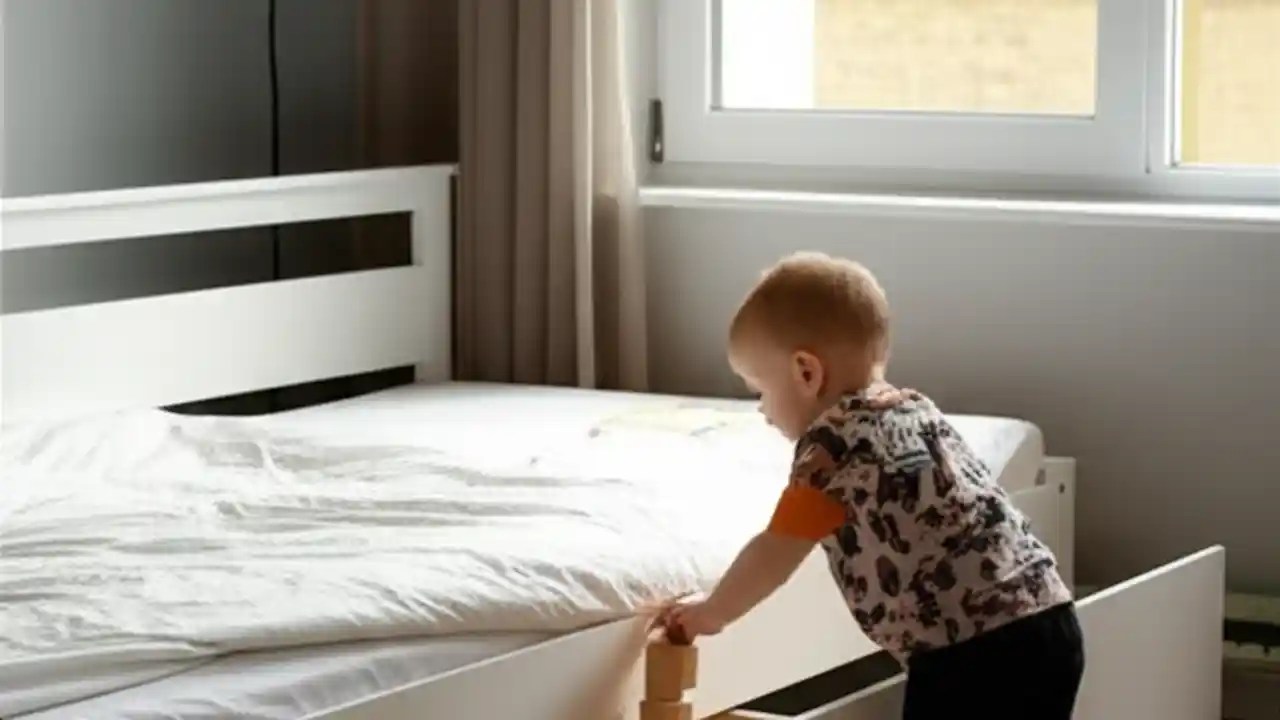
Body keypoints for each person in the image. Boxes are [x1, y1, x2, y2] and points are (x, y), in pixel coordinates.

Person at [659, 252, 1084, 719]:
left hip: (970, 653)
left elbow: (776, 551)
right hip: (1050, 620)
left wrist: (711, 613)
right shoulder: (915, 410)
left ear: (806, 372)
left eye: (759, 388)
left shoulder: (829, 447)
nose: (761, 409)